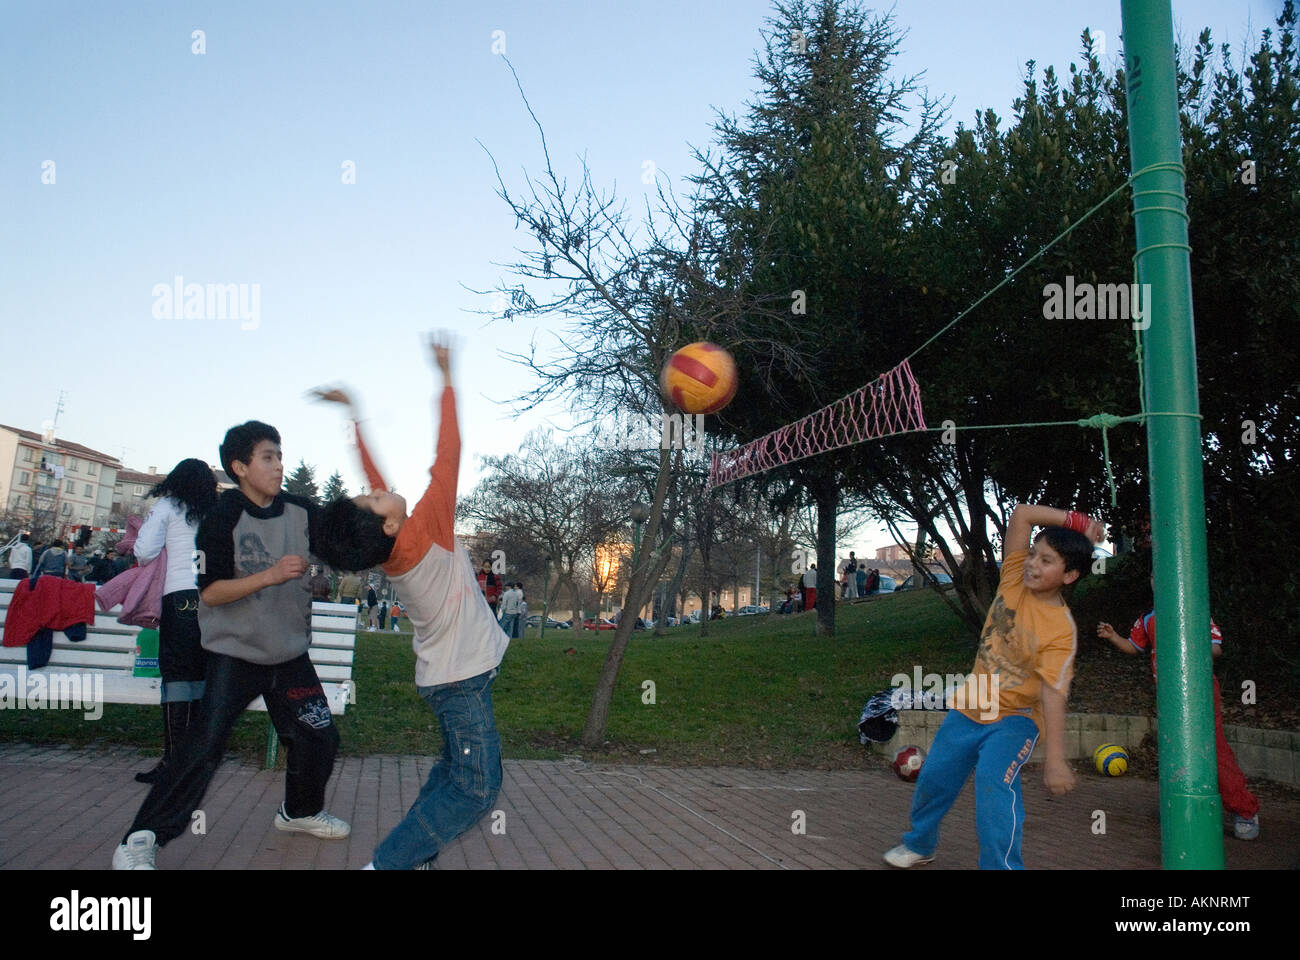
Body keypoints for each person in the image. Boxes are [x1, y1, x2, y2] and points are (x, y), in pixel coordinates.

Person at [312, 334, 508, 870]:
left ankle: (412, 857)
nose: (379, 487)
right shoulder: (428, 531)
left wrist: (355, 420)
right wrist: (446, 379)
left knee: (451, 773)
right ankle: (388, 863)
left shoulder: (391, 548)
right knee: (476, 788)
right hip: (461, 679)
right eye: (375, 497)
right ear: (390, 521)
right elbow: (449, 453)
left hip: (446, 677)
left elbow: (376, 487)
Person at [114, 421, 349, 869]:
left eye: (280, 455)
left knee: (319, 737)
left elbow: (342, 544)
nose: (279, 465)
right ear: (240, 467)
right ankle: (139, 839)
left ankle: (298, 813)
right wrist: (272, 575)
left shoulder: (300, 510)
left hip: (289, 655)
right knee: (201, 749)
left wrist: (378, 527)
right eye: (268, 457)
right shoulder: (222, 518)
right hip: (234, 654)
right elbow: (211, 592)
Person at [883, 503, 1103, 870]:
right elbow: (1021, 515)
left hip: (1015, 720)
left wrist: (1055, 761)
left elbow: (1053, 694)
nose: (1033, 563)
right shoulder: (1015, 577)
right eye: (1034, 553)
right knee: (934, 780)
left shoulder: (1061, 631)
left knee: (993, 785)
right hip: (970, 706)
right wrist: (1079, 522)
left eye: (1047, 561)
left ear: (1070, 575)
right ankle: (920, 844)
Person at [1097, 583, 1260, 840]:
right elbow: (1135, 646)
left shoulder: (1196, 611)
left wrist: (1186, 645)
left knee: (1214, 751)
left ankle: (1245, 810)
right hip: (1168, 695)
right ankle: (1181, 804)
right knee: (1174, 749)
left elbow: (1216, 648)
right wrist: (1113, 636)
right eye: (1153, 575)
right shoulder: (1148, 617)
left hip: (1200, 692)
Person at [129, 458, 219, 785]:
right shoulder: (216, 510)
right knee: (201, 674)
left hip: (179, 597)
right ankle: (196, 759)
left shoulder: (167, 505)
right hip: (214, 597)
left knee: (177, 675)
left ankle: (172, 761)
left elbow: (144, 551)